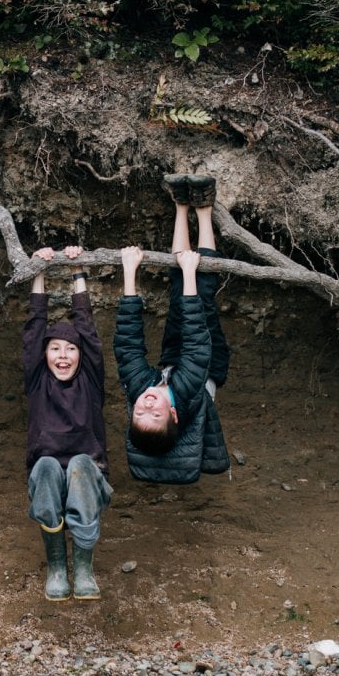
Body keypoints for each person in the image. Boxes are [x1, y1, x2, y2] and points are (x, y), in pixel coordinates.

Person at [114, 174, 231, 483]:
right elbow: (195, 340)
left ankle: (180, 206)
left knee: (179, 288)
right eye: (156, 414)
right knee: (199, 292)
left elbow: (128, 343)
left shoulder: (141, 390)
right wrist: (191, 272)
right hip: (205, 360)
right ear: (174, 415)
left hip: (171, 364)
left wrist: (129, 275)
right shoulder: (189, 391)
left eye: (139, 414)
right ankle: (204, 210)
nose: (147, 405)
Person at [22, 245, 110, 601]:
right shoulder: (37, 380)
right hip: (47, 480)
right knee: (46, 466)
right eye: (55, 348)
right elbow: (33, 328)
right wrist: (39, 269)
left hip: (89, 475)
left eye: (70, 349)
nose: (63, 355)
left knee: (79, 464)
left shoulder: (90, 379)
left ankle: (84, 568)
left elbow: (86, 329)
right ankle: (58, 567)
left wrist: (78, 272)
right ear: (44, 356)